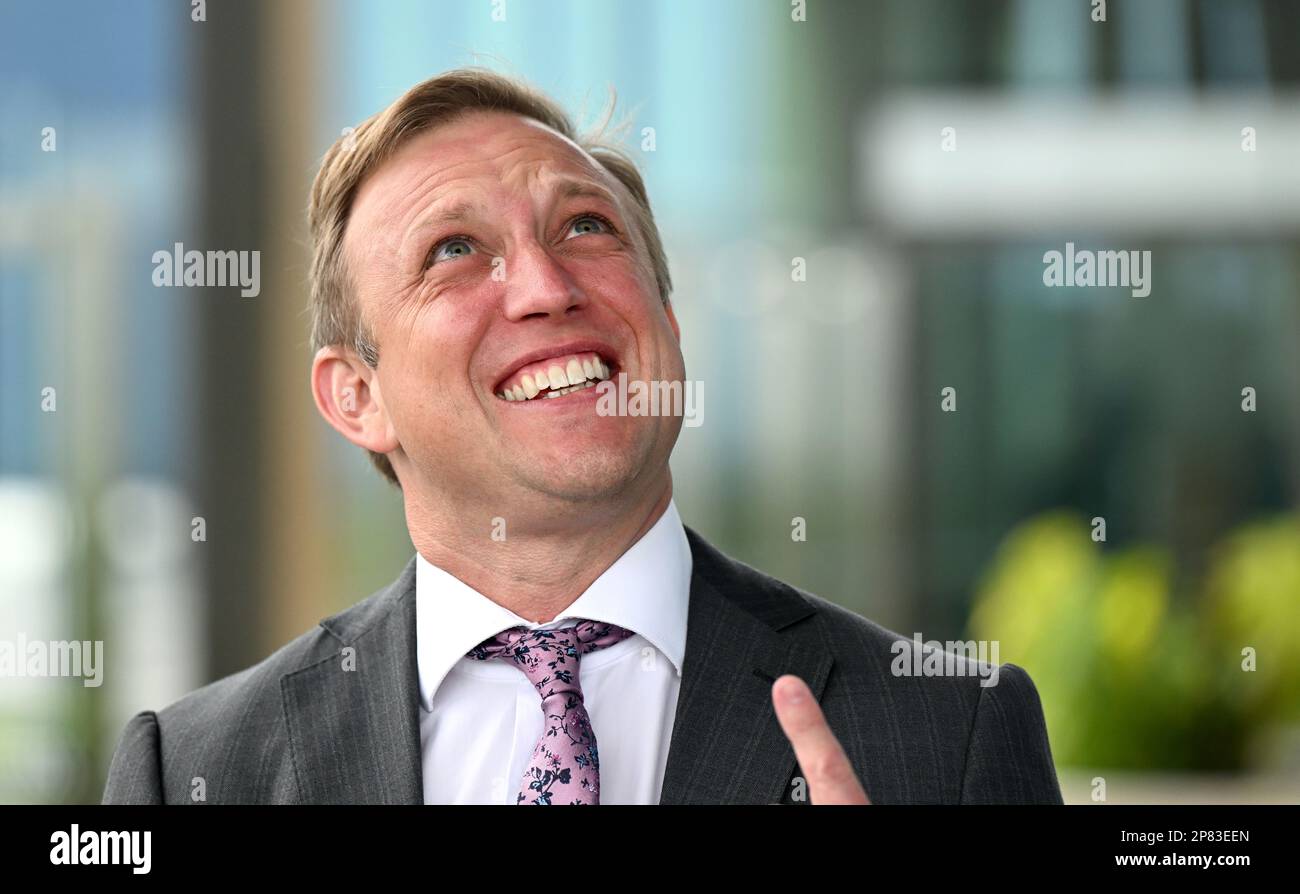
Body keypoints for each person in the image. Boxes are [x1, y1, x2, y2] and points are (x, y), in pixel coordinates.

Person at [103, 68, 1062, 805]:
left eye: (587, 228)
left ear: (667, 324)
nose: (545, 286)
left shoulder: (953, 734)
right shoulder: (189, 771)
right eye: (454, 251)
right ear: (358, 397)